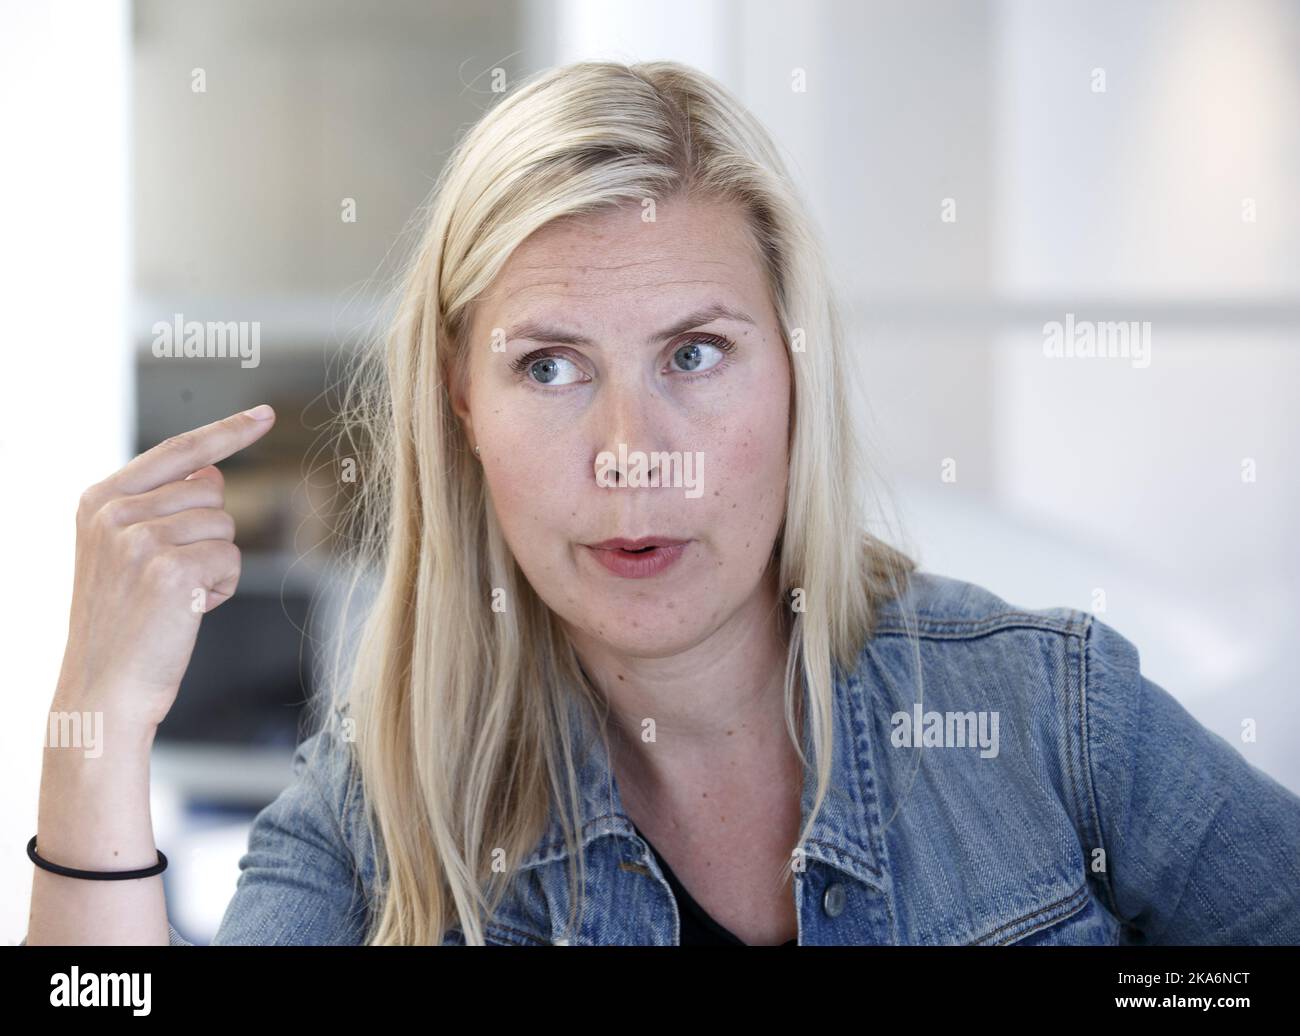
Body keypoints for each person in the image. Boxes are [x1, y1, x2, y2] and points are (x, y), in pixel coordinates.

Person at [24, 60, 1300, 947]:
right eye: (550, 367)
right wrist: (95, 727)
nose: (635, 454)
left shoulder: (1049, 718)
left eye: (694, 353)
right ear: (463, 409)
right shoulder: (383, 816)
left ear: (793, 372)